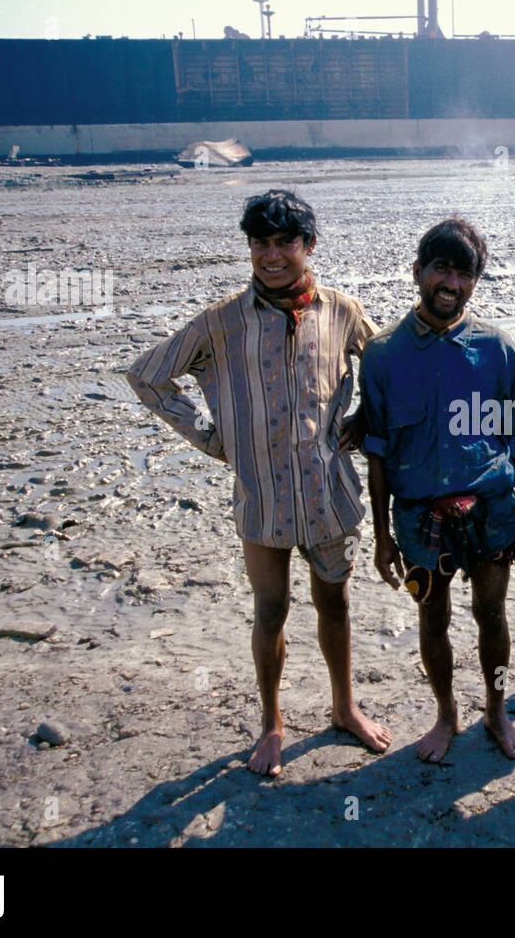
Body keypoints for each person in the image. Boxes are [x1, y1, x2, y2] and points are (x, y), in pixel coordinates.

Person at [127, 189, 392, 776]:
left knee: (335, 602)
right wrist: (213, 438)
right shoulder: (221, 323)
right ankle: (271, 723)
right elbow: (147, 377)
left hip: (331, 496)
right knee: (270, 609)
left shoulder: (341, 311)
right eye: (260, 243)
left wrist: (367, 417)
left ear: (309, 245)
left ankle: (344, 706)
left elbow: (387, 366)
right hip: (261, 501)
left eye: (284, 243)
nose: (272, 255)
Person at [362, 218, 515, 763]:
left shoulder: (498, 349)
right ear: (418, 272)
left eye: (464, 273)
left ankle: (496, 709)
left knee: (493, 615)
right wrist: (381, 536)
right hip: (418, 519)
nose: (451, 282)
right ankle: (446, 715)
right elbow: (376, 453)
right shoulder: (382, 353)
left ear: (474, 284)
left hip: (492, 509)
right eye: (441, 268)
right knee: (431, 615)